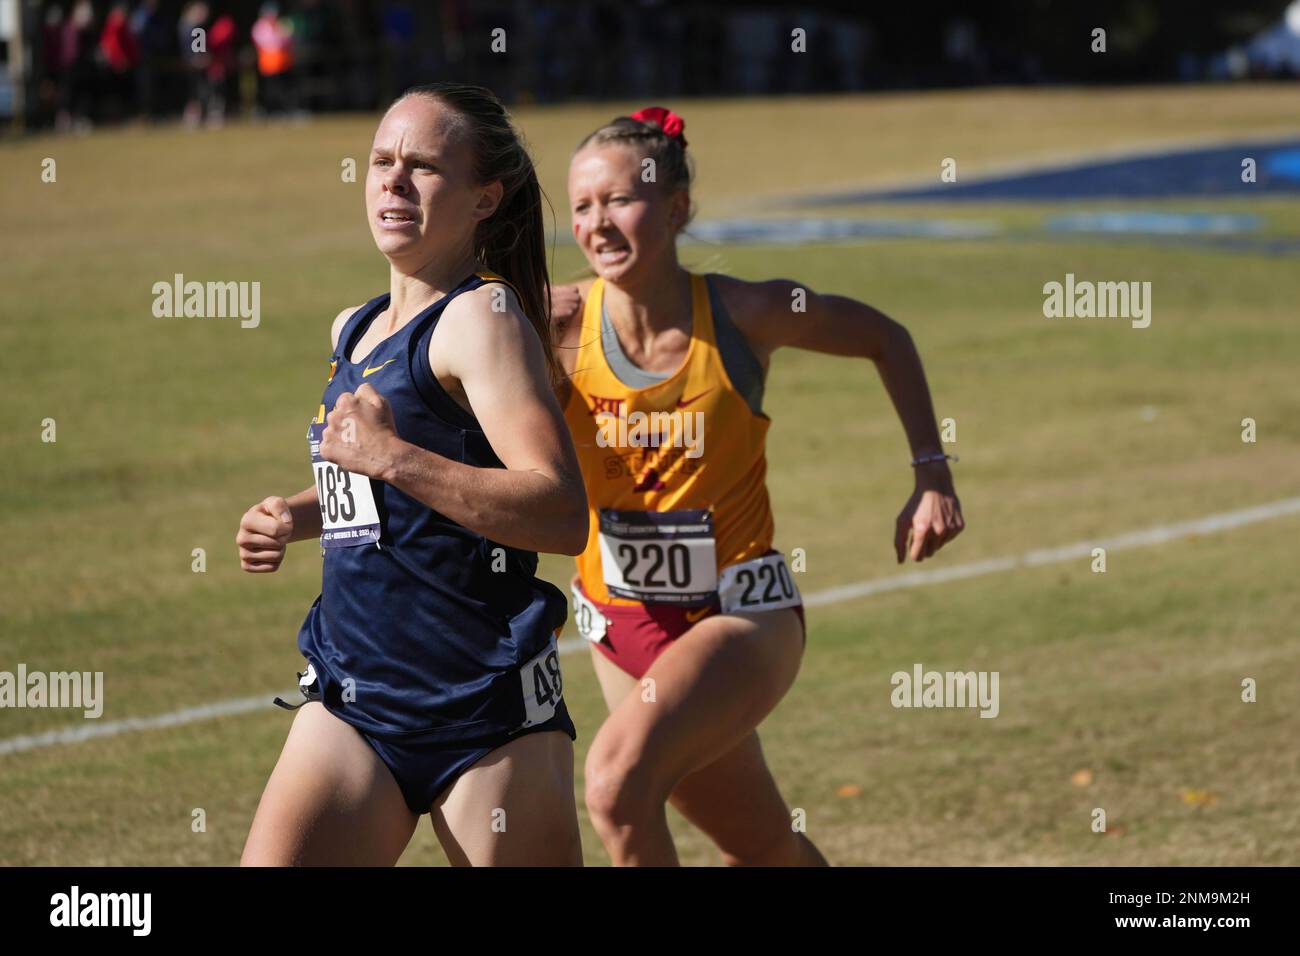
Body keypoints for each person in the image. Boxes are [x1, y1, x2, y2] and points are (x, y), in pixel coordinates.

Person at [552, 107, 966, 866]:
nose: (597, 224)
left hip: (742, 616)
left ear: (676, 209)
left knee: (614, 786)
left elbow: (884, 337)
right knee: (763, 847)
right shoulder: (558, 325)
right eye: (580, 206)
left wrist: (930, 474)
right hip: (620, 629)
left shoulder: (746, 313)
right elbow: (438, 366)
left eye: (619, 201)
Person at [238, 82, 587, 866]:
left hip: (486, 715)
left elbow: (562, 513)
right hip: (357, 699)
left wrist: (393, 456)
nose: (393, 181)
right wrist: (298, 515)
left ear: (483, 198)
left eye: (423, 166)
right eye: (381, 162)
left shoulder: (482, 319)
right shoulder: (353, 326)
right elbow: (386, 491)